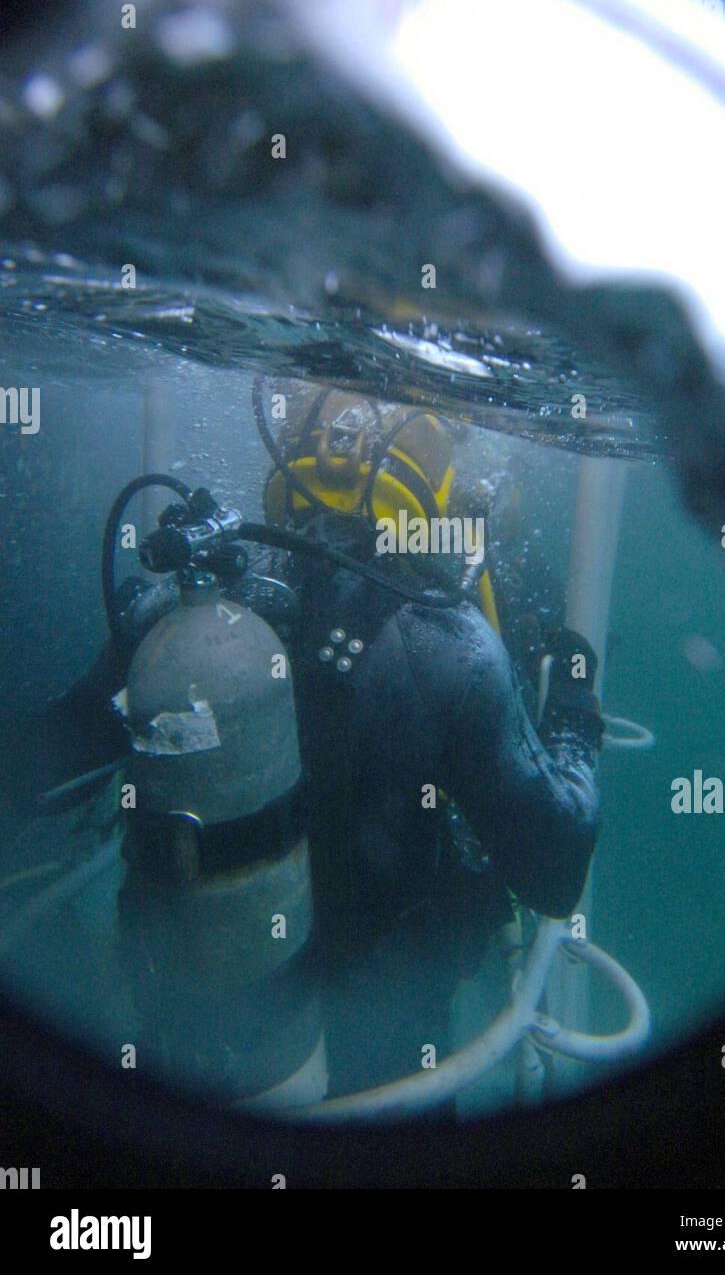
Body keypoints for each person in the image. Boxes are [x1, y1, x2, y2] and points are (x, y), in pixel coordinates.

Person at [49, 385, 604, 1103]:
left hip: (197, 1033)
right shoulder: (452, 644)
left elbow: (46, 768)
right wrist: (572, 721)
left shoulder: (175, 606)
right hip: (389, 1038)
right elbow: (556, 870)